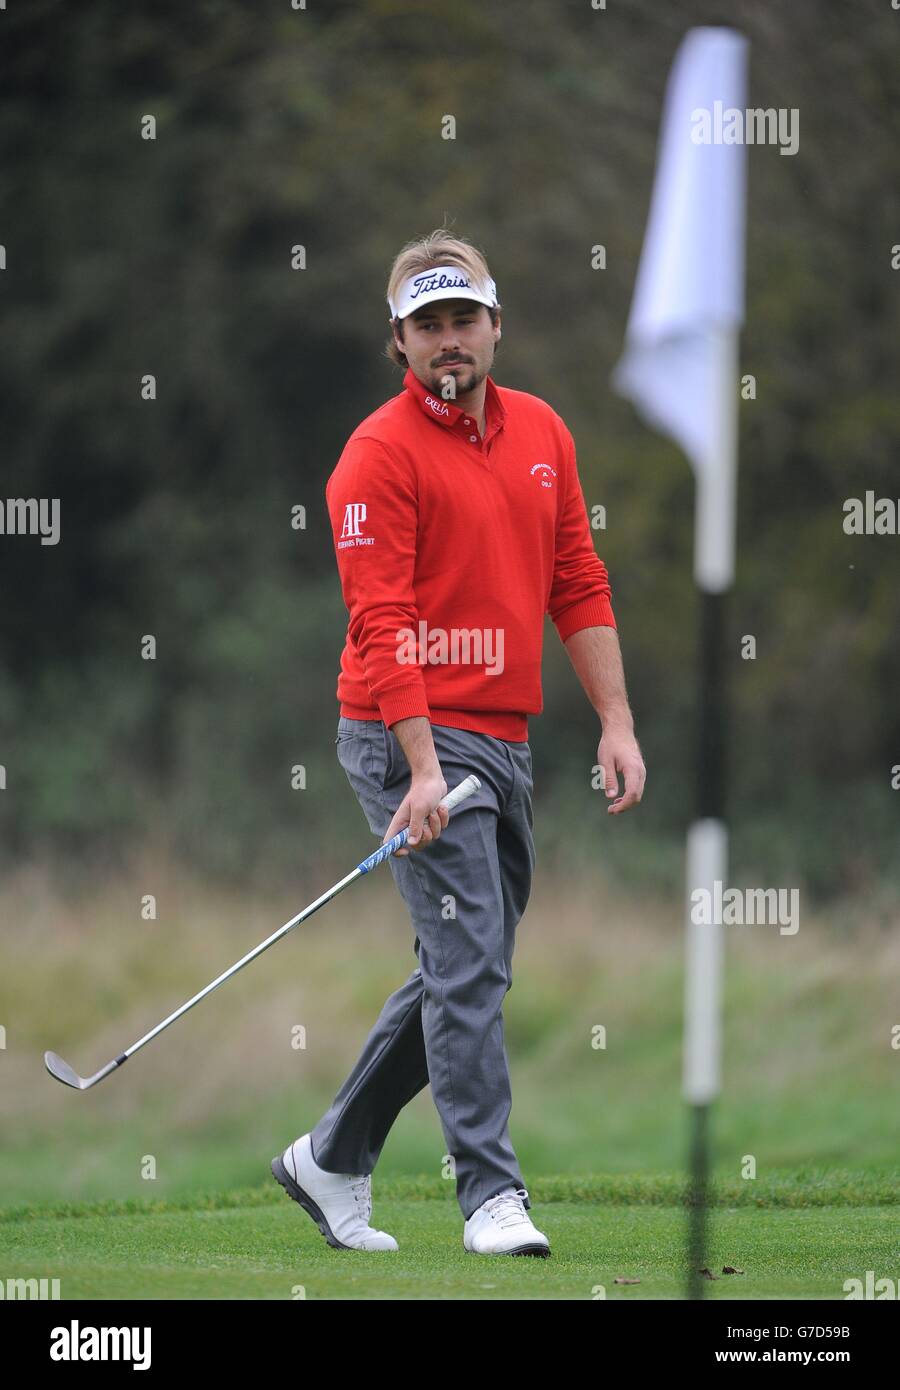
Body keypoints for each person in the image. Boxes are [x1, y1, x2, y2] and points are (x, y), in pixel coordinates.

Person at [272, 228, 646, 1256]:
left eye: (463, 319)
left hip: (504, 733)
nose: (449, 341)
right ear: (398, 340)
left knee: (464, 960)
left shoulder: (543, 434)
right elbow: (381, 622)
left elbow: (578, 579)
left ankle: (331, 1155)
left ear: (495, 325)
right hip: (406, 734)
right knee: (470, 955)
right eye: (427, 324)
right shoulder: (375, 457)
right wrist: (425, 767)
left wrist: (614, 718)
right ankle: (490, 1193)